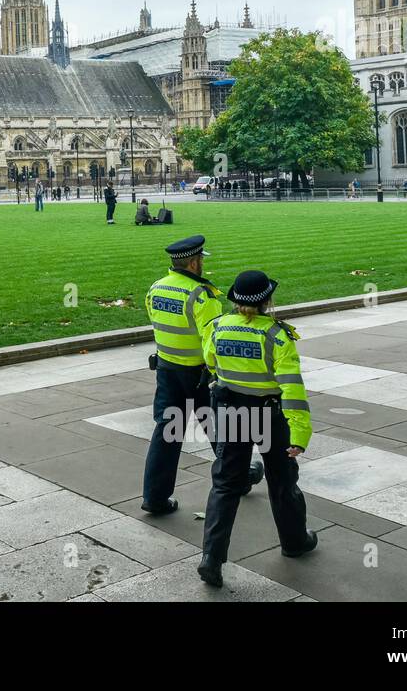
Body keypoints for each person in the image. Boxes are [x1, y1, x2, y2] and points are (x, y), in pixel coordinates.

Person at [197, 269, 318, 587]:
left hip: (232, 412)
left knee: (225, 484)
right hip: (270, 415)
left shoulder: (219, 326)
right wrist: (299, 434)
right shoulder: (277, 335)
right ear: (267, 301)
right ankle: (294, 543)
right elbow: (292, 388)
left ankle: (211, 558)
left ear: (235, 300)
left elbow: (210, 361)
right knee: (282, 481)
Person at [141, 235, 262, 516]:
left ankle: (155, 497)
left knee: (167, 432)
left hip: (167, 370)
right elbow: (212, 342)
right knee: (219, 429)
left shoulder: (156, 288)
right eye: (202, 260)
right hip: (199, 374)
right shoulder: (202, 295)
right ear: (194, 263)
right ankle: (239, 478)